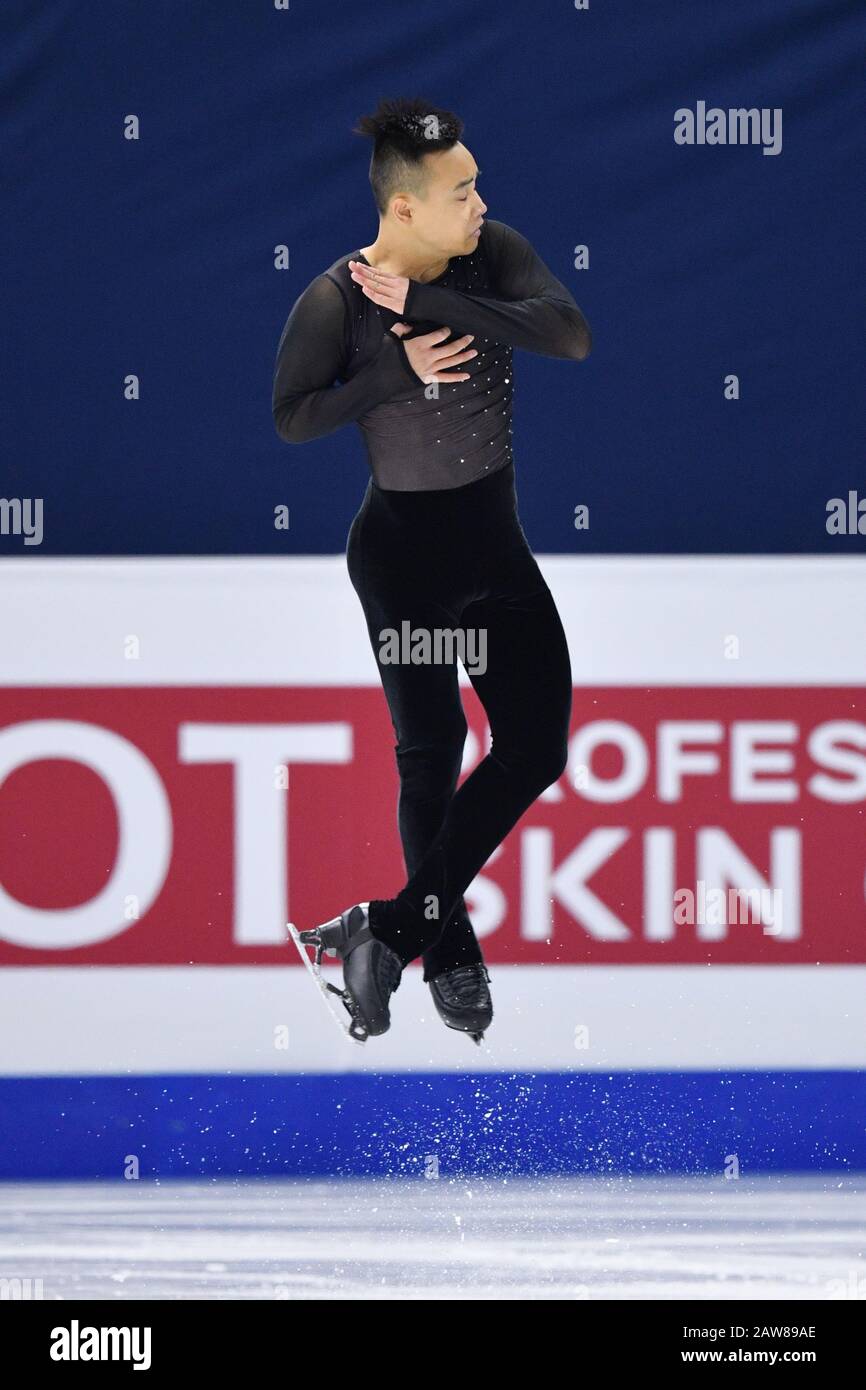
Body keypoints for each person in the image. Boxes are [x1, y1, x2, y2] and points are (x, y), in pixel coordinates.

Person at [272, 95, 591, 1043]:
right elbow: (292, 416)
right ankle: (442, 948)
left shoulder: (491, 259)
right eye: (461, 191)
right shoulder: (333, 297)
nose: (481, 203)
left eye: (478, 183)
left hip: (494, 552)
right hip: (405, 559)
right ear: (404, 208)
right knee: (434, 748)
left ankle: (392, 930)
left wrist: (434, 303)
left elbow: (569, 334)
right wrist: (392, 374)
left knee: (537, 746)